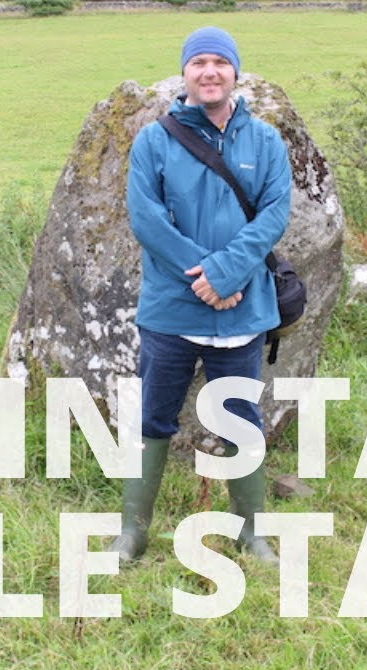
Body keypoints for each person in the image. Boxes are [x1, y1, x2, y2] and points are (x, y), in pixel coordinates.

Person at [115, 26, 292, 564]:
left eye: (220, 62)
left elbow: (274, 215)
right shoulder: (153, 140)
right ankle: (133, 534)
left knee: (241, 420)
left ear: (235, 72)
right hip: (171, 310)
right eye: (199, 63)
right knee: (152, 418)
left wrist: (227, 274)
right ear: (185, 73)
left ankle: (250, 534)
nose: (209, 71)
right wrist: (204, 276)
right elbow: (147, 218)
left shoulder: (264, 141)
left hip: (242, 311)